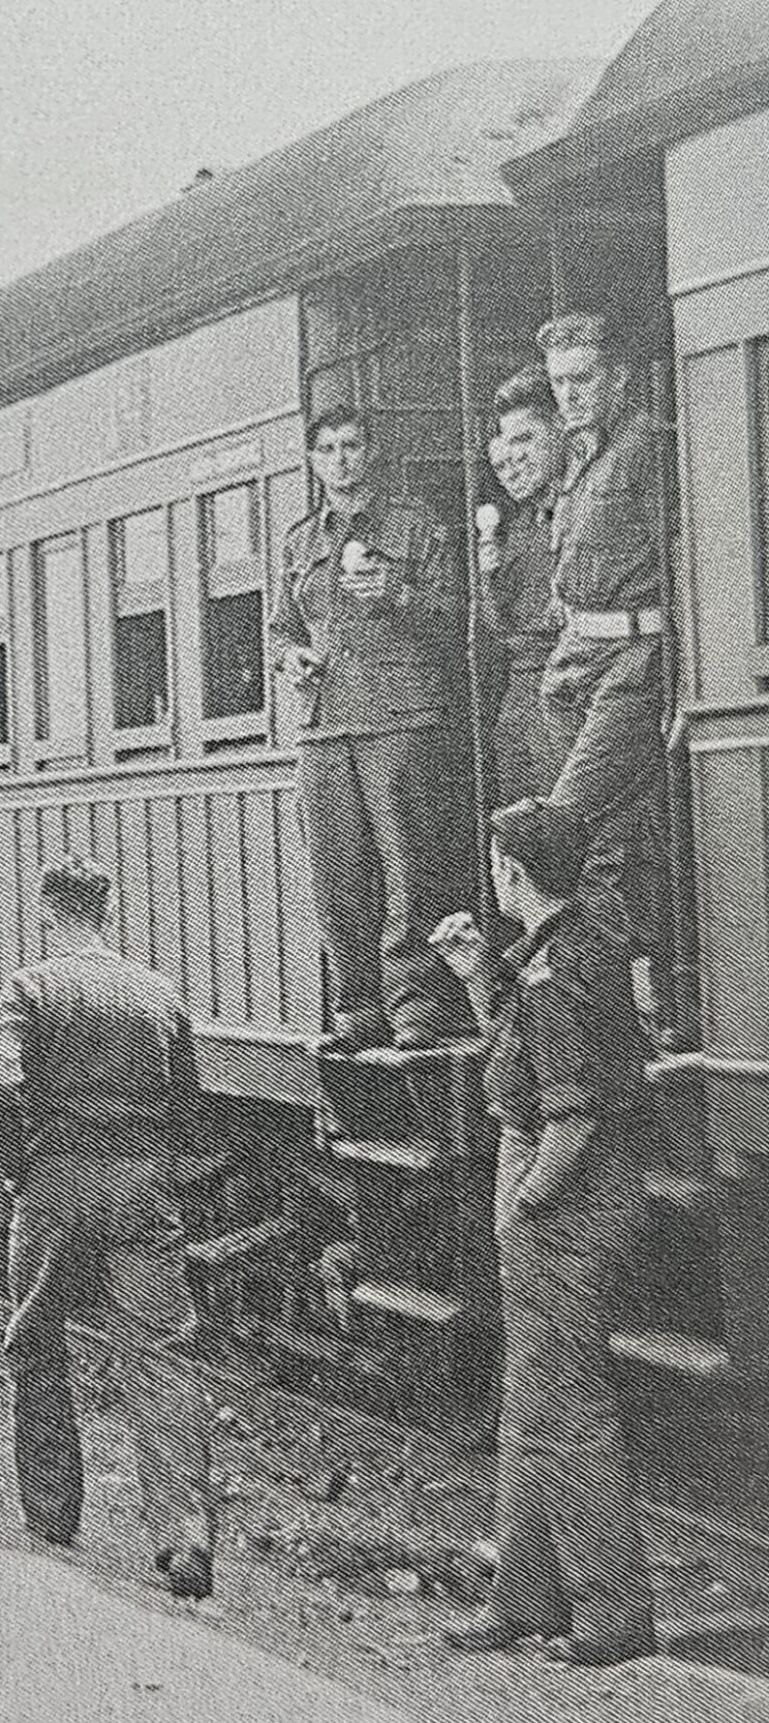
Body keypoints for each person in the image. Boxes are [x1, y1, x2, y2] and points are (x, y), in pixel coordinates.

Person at [431, 799, 657, 1668]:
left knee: (566, 1401)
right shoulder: (559, 953)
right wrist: (473, 975)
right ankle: (522, 1600)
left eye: (496, 863)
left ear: (514, 875)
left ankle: (612, 1615)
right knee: (531, 1397)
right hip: (560, 1183)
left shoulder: (559, 971)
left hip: (565, 1195)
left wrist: (527, 1201)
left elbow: (571, 1116)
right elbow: (520, 1053)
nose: (492, 875)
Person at [0, 855, 216, 1600]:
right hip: (141, 1184)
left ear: (49, 911)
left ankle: (51, 1513)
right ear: (108, 911)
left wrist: (15, 1165)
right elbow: (189, 1099)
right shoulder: (156, 993)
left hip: (54, 1182)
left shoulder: (33, 987)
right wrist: (159, 1163)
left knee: (37, 1338)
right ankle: (183, 1536)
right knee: (164, 1356)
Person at [270, 405, 469, 1050]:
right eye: (326, 449)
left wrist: (397, 593)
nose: (340, 460)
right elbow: (281, 627)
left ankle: (415, 1012)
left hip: (402, 717)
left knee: (409, 870)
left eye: (351, 446)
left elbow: (462, 620)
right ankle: (356, 1012)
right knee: (338, 875)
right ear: (312, 461)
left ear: (372, 453)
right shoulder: (300, 541)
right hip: (324, 725)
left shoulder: (416, 529)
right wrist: (290, 655)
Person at [537, 313, 674, 1026]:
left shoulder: (645, 447)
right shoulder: (578, 456)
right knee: (609, 847)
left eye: (583, 379)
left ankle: (591, 1014)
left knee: (558, 831)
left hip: (632, 661)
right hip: (577, 666)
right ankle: (631, 1013)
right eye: (559, 383)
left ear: (617, 377)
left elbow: (681, 557)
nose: (570, 396)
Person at [478, 373, 568, 806]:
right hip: (521, 694)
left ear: (559, 431)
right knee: (526, 829)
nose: (513, 461)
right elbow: (498, 629)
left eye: (525, 441)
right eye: (502, 456)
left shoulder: (580, 511)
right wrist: (488, 578)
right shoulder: (516, 530)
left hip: (569, 683)